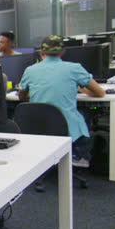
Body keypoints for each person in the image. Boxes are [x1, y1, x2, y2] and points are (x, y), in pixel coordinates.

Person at [18, 36, 106, 164]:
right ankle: (79, 154)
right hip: (64, 126)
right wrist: (81, 89)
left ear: (41, 52)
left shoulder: (30, 70)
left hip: (38, 126)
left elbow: (21, 96)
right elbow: (100, 93)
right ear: (63, 52)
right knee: (85, 111)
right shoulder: (74, 68)